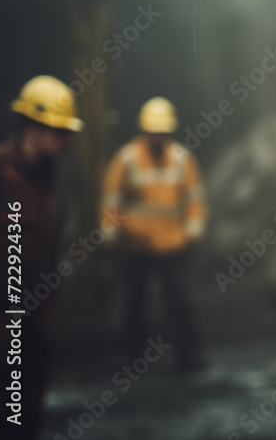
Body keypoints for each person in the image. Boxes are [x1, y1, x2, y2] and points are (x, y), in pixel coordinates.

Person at [0, 76, 82, 439]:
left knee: (28, 419)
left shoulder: (51, 180)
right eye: (59, 132)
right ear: (32, 128)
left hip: (36, 325)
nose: (65, 141)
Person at [100, 96, 207, 371]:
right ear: (144, 132)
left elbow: (194, 198)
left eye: (162, 132)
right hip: (136, 243)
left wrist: (192, 230)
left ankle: (188, 354)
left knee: (179, 299)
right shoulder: (127, 158)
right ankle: (135, 357)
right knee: (135, 301)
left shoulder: (182, 159)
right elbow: (112, 198)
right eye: (153, 132)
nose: (158, 138)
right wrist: (109, 233)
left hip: (172, 243)